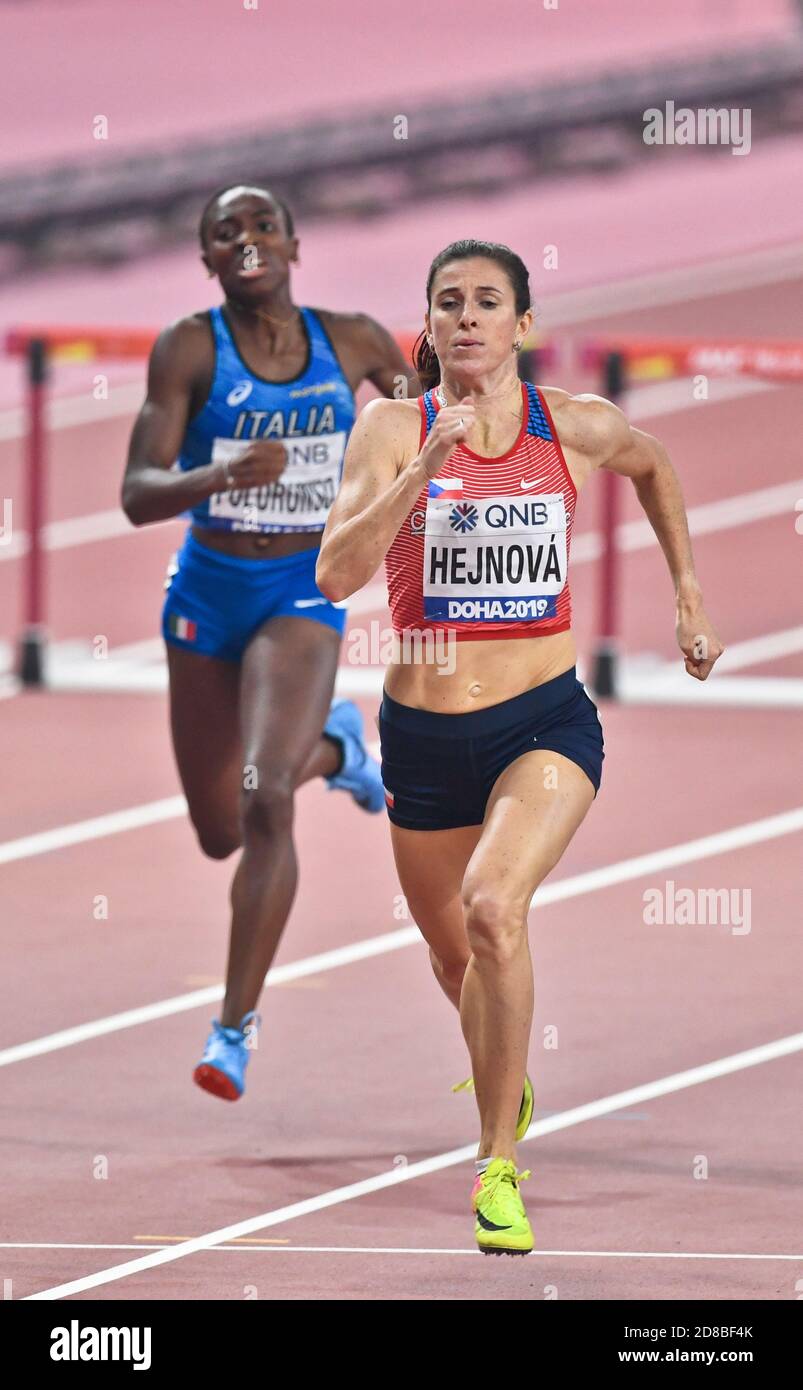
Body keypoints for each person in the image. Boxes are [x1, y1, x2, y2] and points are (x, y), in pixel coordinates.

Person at [316, 238, 724, 1254]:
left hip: (540, 722)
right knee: (455, 960)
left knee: (493, 909)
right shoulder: (391, 429)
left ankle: (495, 1164)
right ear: (427, 323)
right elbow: (334, 574)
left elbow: (652, 462)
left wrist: (685, 589)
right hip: (421, 736)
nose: (466, 317)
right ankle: (507, 1077)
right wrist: (422, 472)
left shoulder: (570, 425)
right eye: (447, 301)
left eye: (487, 301)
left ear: (521, 324)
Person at [121, 183, 419, 1101]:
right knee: (219, 833)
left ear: (294, 244)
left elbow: (428, 431)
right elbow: (135, 492)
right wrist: (216, 474)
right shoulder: (188, 349)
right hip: (207, 596)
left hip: (301, 589)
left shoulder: (355, 342)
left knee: (264, 801)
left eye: (261, 226)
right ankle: (336, 746)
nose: (245, 240)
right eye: (225, 232)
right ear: (207, 259)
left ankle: (232, 1029)